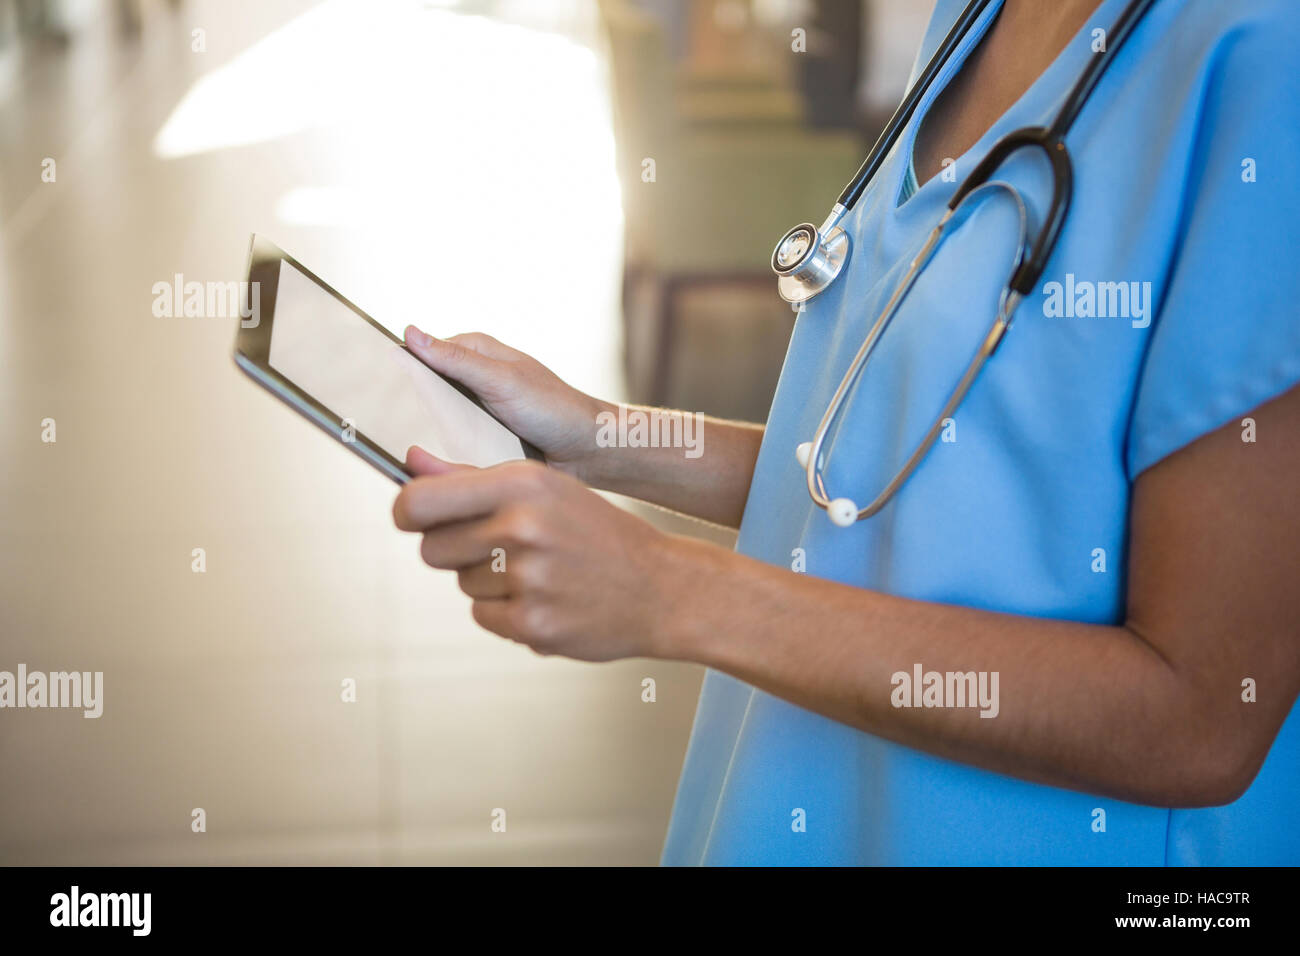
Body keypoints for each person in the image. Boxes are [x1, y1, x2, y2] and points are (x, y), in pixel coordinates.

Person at [390, 0, 1300, 865]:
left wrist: (675, 591)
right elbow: (883, 479)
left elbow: (1201, 719)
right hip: (803, 800)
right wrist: (598, 435)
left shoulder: (1261, 59)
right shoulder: (976, 18)